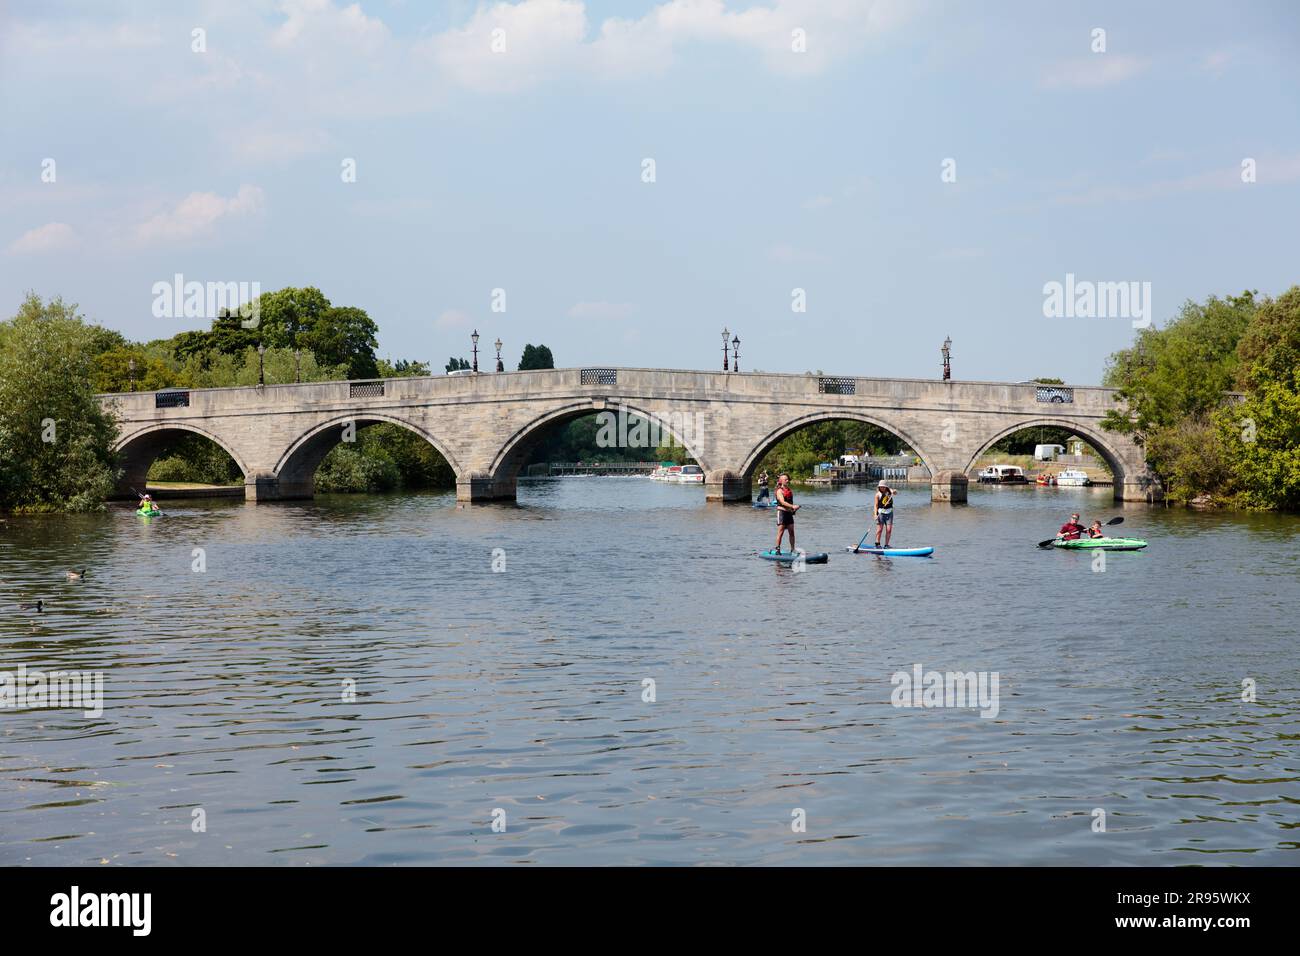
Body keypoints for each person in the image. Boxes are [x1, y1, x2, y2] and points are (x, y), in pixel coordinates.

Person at [773, 473, 799, 554]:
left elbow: (789, 502)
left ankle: (792, 549)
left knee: (792, 532)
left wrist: (792, 510)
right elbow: (782, 502)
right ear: (781, 481)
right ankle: (777, 550)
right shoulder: (779, 491)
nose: (787, 480)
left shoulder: (788, 490)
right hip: (781, 513)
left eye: (788, 479)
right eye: (785, 479)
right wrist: (793, 506)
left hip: (789, 513)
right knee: (781, 532)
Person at [873, 480, 895, 548]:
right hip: (881, 513)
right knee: (879, 529)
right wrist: (875, 514)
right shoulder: (877, 495)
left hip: (889, 513)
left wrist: (894, 491)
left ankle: (886, 545)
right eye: (881, 487)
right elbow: (876, 505)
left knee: (889, 530)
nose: (882, 488)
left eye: (883, 487)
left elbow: (895, 492)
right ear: (879, 487)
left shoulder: (889, 492)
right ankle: (877, 544)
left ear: (886, 487)